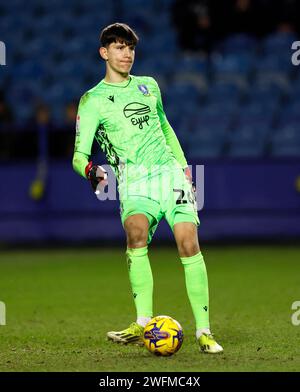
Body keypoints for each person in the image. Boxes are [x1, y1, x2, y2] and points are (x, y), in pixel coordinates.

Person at [72, 23, 223, 354]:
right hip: (134, 182)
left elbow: (166, 128)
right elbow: (79, 155)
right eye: (119, 47)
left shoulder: (149, 86)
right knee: (136, 233)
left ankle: (204, 331)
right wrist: (91, 171)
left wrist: (184, 169)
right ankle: (142, 323)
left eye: (130, 48)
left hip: (170, 175)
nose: (127, 54)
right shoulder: (92, 101)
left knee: (188, 241)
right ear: (104, 52)